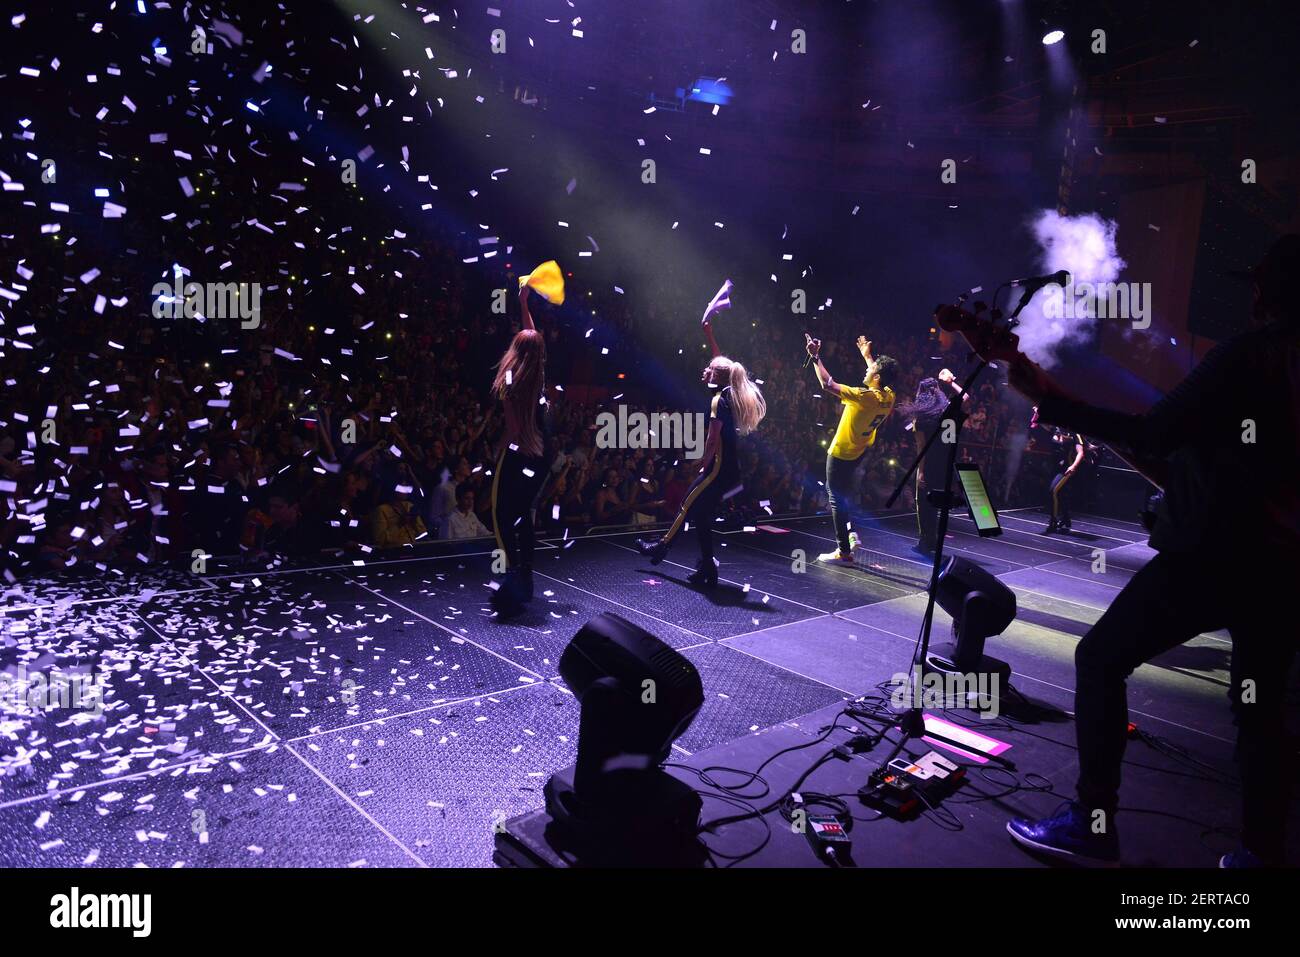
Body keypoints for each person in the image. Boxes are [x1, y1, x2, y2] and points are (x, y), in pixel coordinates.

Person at [1001, 234, 1300, 868]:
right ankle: (1264, 854)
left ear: (1266, 292)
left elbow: (1155, 431)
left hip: (1217, 553)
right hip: (1283, 566)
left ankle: (1093, 823)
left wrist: (1049, 402)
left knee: (1102, 658)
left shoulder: (1247, 356)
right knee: (1260, 708)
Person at [636, 288, 766, 587]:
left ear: (717, 377)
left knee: (688, 503)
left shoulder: (718, 400)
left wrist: (702, 464)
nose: (705, 369)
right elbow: (722, 361)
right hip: (729, 468)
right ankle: (707, 566)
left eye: (709, 369)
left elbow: (711, 439)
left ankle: (661, 548)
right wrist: (708, 331)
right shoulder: (730, 389)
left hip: (718, 468)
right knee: (701, 515)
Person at [805, 333, 898, 565]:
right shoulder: (889, 396)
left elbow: (827, 384)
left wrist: (815, 357)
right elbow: (876, 376)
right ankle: (852, 532)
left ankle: (843, 552)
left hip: (841, 453)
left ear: (876, 376)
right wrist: (868, 357)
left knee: (835, 498)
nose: (866, 370)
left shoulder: (864, 396)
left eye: (871, 368)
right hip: (860, 452)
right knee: (844, 495)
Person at [488, 285, 552, 616]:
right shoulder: (537, 373)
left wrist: (497, 451)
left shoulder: (511, 378)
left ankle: (511, 577)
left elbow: (513, 430)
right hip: (539, 458)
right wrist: (524, 302)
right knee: (524, 515)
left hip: (517, 453)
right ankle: (524, 576)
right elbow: (532, 341)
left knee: (501, 515)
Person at [901, 371, 965, 556]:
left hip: (930, 464)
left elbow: (922, 447)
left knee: (923, 503)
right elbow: (966, 397)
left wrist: (920, 472)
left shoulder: (921, 417)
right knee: (938, 503)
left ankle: (926, 542)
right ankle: (933, 541)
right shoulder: (949, 410)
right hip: (947, 464)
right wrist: (952, 382)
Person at [1042, 424, 1086, 535]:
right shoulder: (1055, 429)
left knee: (1053, 491)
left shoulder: (1075, 433)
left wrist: (1073, 466)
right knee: (1061, 493)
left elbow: (1080, 453)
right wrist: (1037, 410)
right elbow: (1041, 423)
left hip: (1067, 468)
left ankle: (1053, 521)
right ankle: (1066, 518)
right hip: (1054, 467)